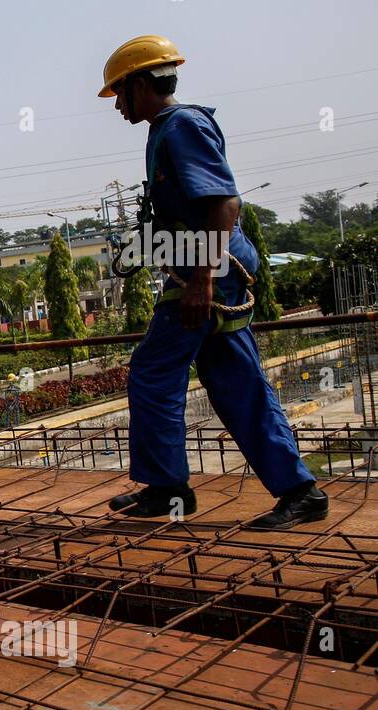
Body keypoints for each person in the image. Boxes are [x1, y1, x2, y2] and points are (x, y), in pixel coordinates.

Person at [98, 35, 325, 529]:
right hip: (209, 272)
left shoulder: (181, 127)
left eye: (119, 92)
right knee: (235, 381)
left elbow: (224, 204)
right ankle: (300, 491)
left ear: (141, 84)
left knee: (153, 373)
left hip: (209, 277)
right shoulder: (167, 129)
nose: (116, 104)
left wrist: (201, 279)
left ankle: (167, 489)